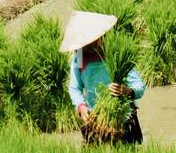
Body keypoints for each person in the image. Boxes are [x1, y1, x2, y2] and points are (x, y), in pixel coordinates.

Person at [61, 10, 146, 145]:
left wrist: (126, 91)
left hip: (123, 117)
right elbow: (74, 89)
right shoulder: (79, 56)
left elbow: (139, 86)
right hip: (94, 117)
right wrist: (81, 107)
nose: (87, 44)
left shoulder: (116, 52)